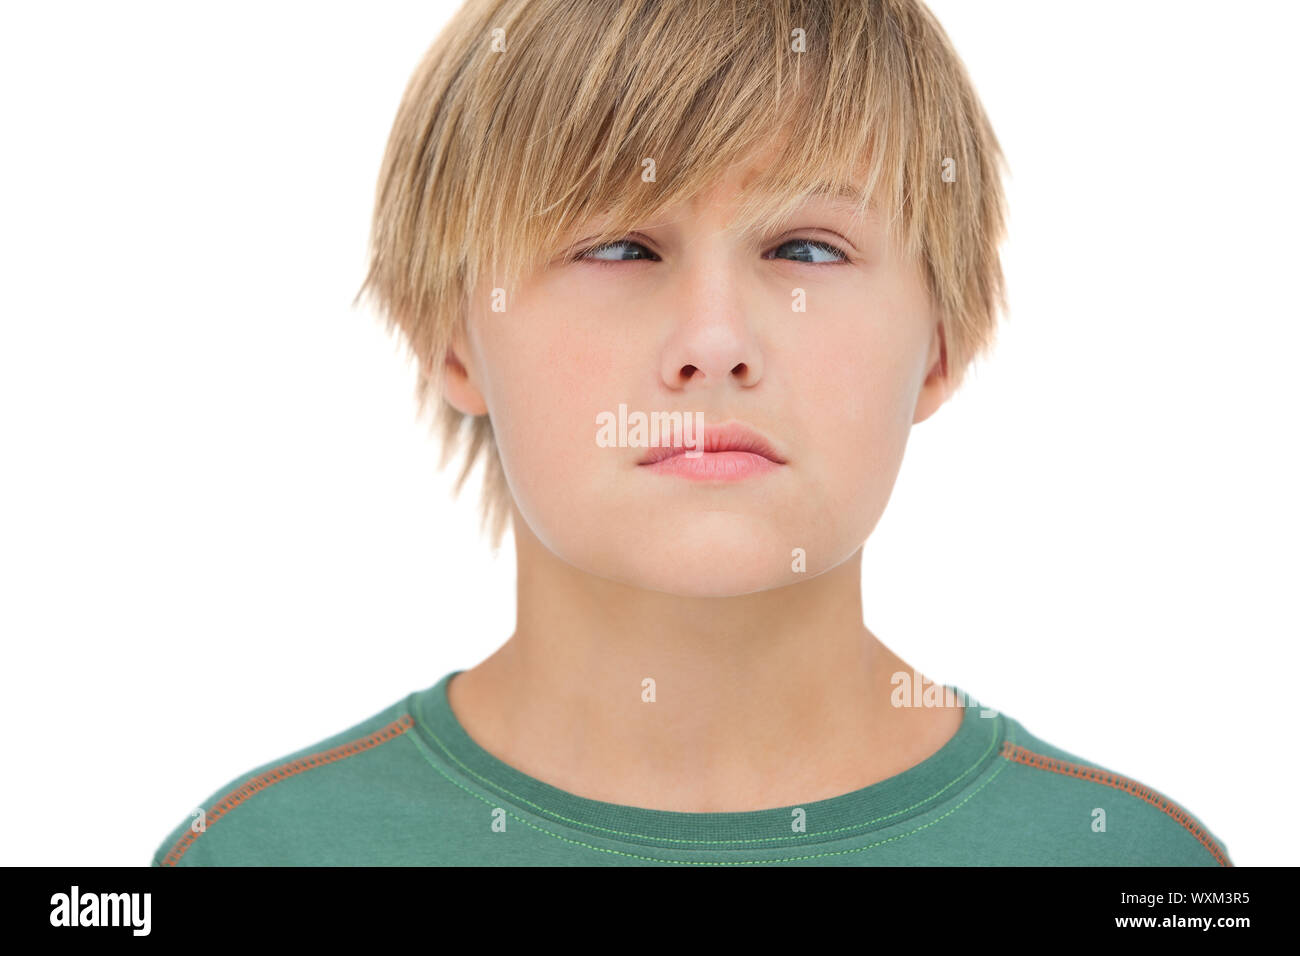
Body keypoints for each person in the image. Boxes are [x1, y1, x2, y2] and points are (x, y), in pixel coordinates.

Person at [151, 0, 1230, 867]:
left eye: (806, 249)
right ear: (454, 338)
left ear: (941, 345)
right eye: (619, 247)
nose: (713, 344)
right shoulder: (252, 855)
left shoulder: (1138, 869)